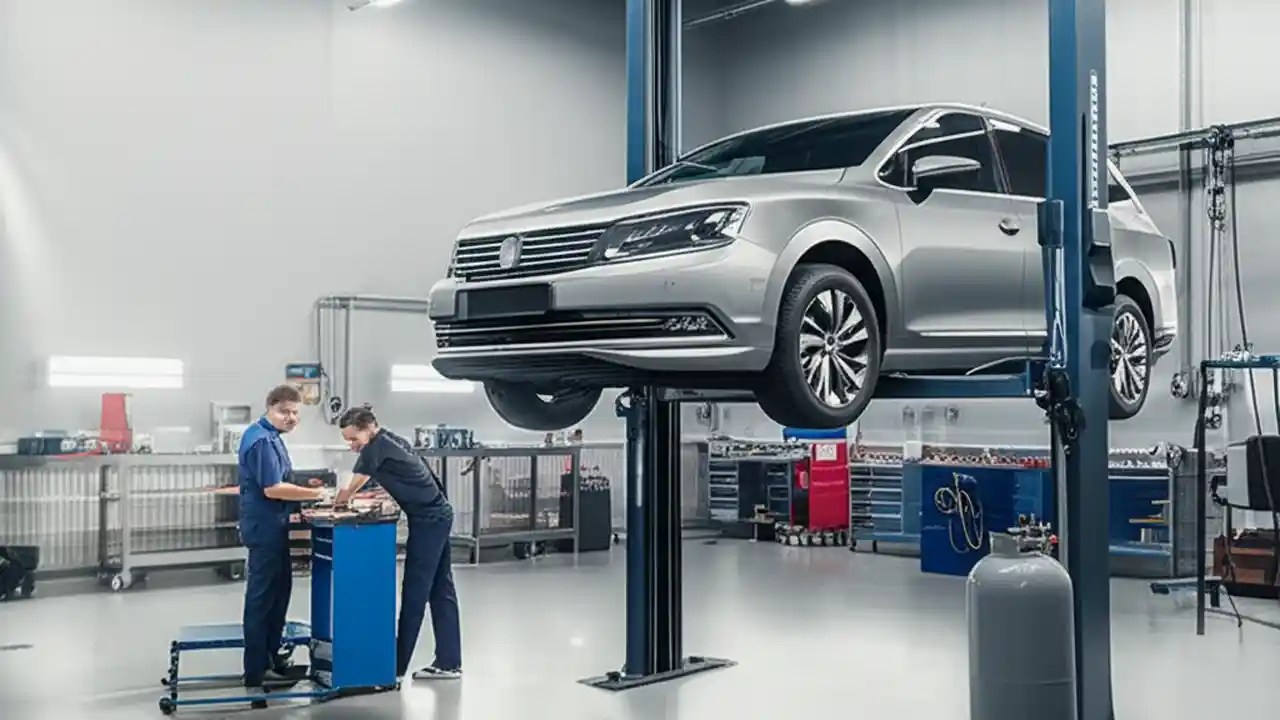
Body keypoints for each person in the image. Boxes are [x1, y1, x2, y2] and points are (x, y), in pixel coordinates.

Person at [335, 405, 462, 681]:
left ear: (369, 428)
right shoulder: (391, 439)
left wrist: (335, 498)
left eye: (353, 439)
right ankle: (449, 663)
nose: (352, 446)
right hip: (438, 513)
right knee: (441, 588)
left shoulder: (374, 448)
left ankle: (396, 669)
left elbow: (349, 491)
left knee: (415, 592)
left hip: (428, 519)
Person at [238, 385, 326, 696]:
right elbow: (273, 488)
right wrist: (315, 494)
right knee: (262, 600)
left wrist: (303, 492)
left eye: (295, 413)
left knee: (279, 594)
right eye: (285, 412)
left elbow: (283, 479)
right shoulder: (261, 440)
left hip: (274, 526)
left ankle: (272, 660)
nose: (291, 418)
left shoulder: (272, 437)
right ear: (270, 407)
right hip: (264, 529)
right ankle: (256, 671)